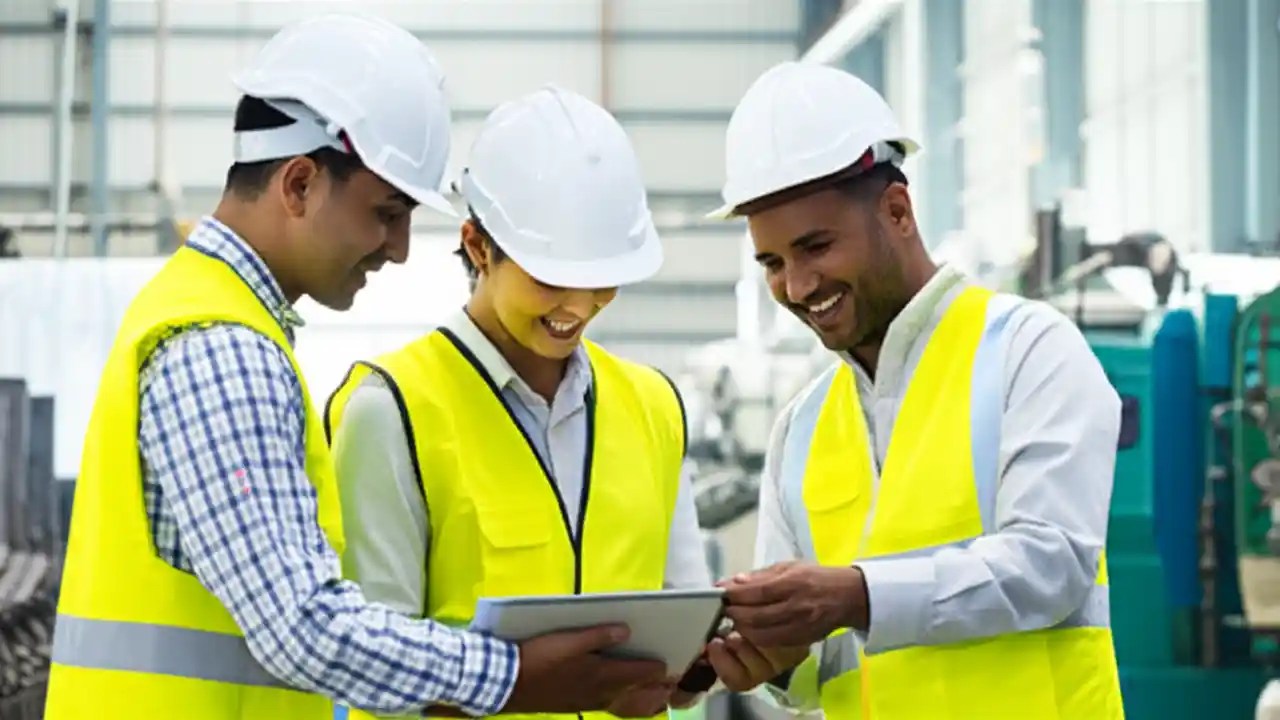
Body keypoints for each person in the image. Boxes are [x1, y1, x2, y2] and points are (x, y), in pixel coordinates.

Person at [43, 16, 666, 720]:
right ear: (301, 183)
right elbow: (302, 627)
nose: (398, 248)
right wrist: (513, 678)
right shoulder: (223, 348)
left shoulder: (215, 320)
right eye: (386, 212)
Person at [700, 61, 1125, 719]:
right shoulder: (800, 430)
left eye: (816, 246)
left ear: (897, 210)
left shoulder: (1027, 350)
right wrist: (775, 659)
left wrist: (855, 596)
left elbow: (1051, 566)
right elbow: (821, 672)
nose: (798, 285)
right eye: (773, 263)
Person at [325, 84, 715, 720]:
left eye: (601, 281)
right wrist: (515, 691)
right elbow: (370, 675)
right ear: (479, 246)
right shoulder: (391, 409)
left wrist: (692, 672)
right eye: (551, 278)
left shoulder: (653, 405)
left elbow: (685, 621)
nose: (579, 306)